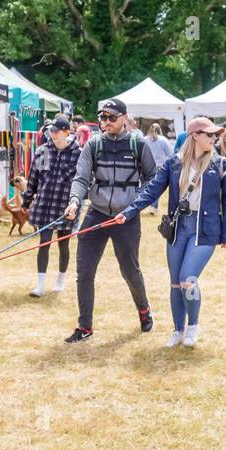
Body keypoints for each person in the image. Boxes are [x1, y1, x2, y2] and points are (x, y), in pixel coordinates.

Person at [116, 117, 226, 348]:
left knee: (187, 279)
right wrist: (129, 212)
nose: (214, 138)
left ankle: (193, 326)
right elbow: (152, 190)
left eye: (215, 135)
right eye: (209, 134)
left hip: (205, 229)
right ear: (195, 136)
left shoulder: (220, 164)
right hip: (178, 228)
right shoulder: (174, 163)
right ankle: (178, 329)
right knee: (175, 283)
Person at [62, 97, 159, 343]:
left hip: (126, 218)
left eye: (111, 117)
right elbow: (81, 178)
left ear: (124, 118)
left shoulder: (139, 144)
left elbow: (153, 179)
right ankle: (85, 327)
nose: (106, 122)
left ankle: (144, 310)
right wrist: (74, 201)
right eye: (102, 117)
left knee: (130, 270)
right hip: (96, 213)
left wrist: (134, 206)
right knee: (84, 271)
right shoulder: (93, 145)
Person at [24, 116, 81, 297]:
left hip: (65, 206)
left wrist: (77, 201)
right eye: (51, 131)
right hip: (45, 203)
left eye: (56, 131)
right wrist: (27, 200)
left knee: (63, 245)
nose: (53, 134)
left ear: (66, 132)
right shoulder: (43, 150)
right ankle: (40, 286)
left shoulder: (78, 153)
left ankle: (60, 281)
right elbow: (33, 177)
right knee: (44, 243)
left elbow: (84, 180)